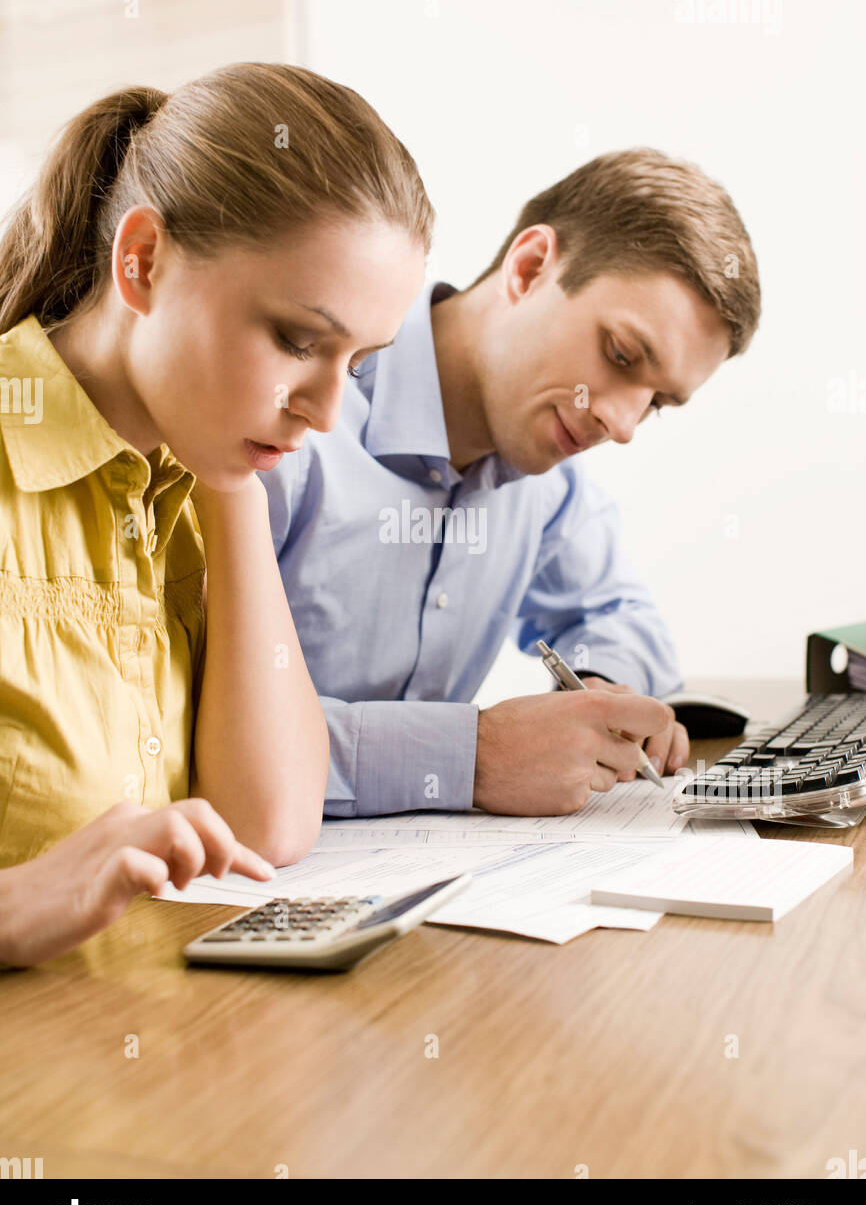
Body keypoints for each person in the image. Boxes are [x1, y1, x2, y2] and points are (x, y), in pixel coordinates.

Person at [0, 62, 432, 964]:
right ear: (144, 261)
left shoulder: (195, 478)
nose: (323, 412)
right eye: (295, 341)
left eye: (354, 363)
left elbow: (268, 825)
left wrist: (231, 484)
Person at [261, 148, 761, 818]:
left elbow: (623, 616)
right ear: (529, 268)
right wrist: (472, 757)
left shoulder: (548, 482)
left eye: (657, 402)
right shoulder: (288, 422)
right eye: (620, 355)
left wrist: (600, 690)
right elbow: (175, 728)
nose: (621, 423)